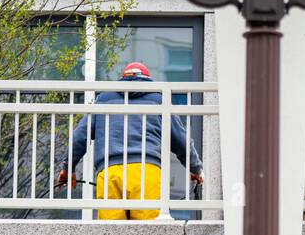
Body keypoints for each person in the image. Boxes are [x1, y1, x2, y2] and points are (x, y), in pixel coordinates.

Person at [58, 61, 203, 220]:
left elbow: (80, 135)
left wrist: (68, 166)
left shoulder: (103, 100)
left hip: (110, 172)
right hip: (146, 172)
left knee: (110, 234)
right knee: (148, 234)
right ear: (147, 79)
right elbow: (181, 140)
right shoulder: (159, 100)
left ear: (123, 79)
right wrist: (195, 169)